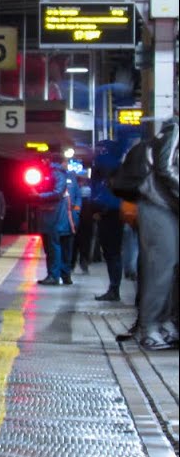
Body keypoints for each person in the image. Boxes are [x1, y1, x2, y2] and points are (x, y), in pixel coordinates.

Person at [112, 118, 179, 350]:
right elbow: (165, 167)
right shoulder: (175, 130)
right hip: (158, 204)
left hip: (170, 205)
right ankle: (149, 328)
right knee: (161, 267)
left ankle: (166, 324)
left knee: (171, 269)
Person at [89, 140, 125, 301]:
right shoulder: (115, 170)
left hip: (110, 214)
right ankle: (114, 288)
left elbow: (105, 195)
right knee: (111, 253)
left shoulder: (109, 170)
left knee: (112, 253)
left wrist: (99, 209)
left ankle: (114, 289)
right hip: (110, 213)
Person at [36, 157, 78, 286]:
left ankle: (53, 276)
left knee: (53, 247)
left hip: (54, 217)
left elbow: (57, 193)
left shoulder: (53, 173)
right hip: (68, 218)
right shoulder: (69, 176)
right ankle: (65, 276)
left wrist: (39, 196)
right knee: (66, 248)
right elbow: (76, 197)